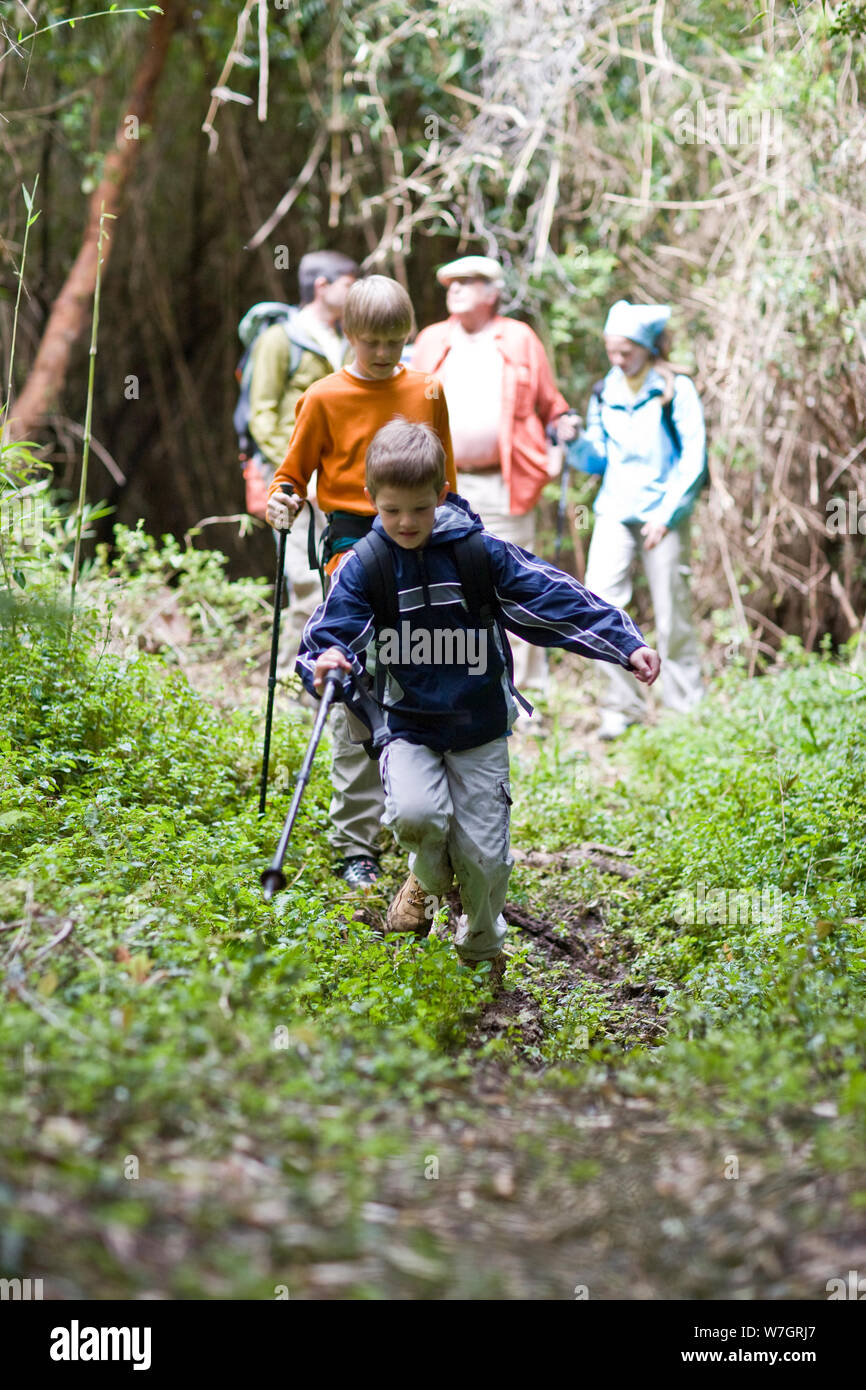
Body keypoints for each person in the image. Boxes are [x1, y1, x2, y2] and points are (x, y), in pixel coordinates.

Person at [297, 419, 660, 984]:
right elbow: (328, 634)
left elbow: (554, 596)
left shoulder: (477, 555)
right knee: (417, 817)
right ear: (371, 501)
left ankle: (481, 955)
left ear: (441, 494)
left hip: (479, 726)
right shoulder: (366, 565)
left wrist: (624, 644)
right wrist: (325, 663)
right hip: (407, 724)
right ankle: (425, 880)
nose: (407, 523)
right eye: (392, 511)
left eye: (419, 508)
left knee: (485, 858)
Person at [265, 277, 458, 889]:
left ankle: (432, 828)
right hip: (352, 541)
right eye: (373, 342)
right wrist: (282, 502)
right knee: (355, 684)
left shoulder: (426, 388)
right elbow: (291, 476)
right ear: (349, 335)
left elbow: (444, 482)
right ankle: (356, 843)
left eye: (396, 341)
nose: (384, 353)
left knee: (421, 669)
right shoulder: (324, 396)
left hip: (423, 537)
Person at [411, 255, 579, 697]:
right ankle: (458, 685)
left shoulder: (519, 338)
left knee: (517, 580)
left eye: (468, 281)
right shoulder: (432, 340)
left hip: (506, 483)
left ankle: (528, 691)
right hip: (441, 487)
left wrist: (562, 434)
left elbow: (552, 404)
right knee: (441, 582)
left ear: (493, 292)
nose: (456, 288)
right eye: (452, 282)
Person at [566, 300, 707, 740]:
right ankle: (620, 708)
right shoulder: (604, 390)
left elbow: (694, 460)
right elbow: (598, 459)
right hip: (613, 510)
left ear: (646, 347)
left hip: (662, 514)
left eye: (625, 350)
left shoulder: (674, 389)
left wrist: (667, 515)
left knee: (671, 611)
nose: (618, 358)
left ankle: (684, 707)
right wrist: (573, 442)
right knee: (602, 605)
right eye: (611, 349)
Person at [247, 249, 358, 666]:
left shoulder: (347, 339)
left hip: (340, 485)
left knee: (341, 581)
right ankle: (296, 683)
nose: (355, 292)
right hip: (297, 488)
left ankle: (337, 681)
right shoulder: (280, 339)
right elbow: (263, 415)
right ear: (322, 286)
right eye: (349, 283)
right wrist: (300, 474)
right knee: (305, 583)